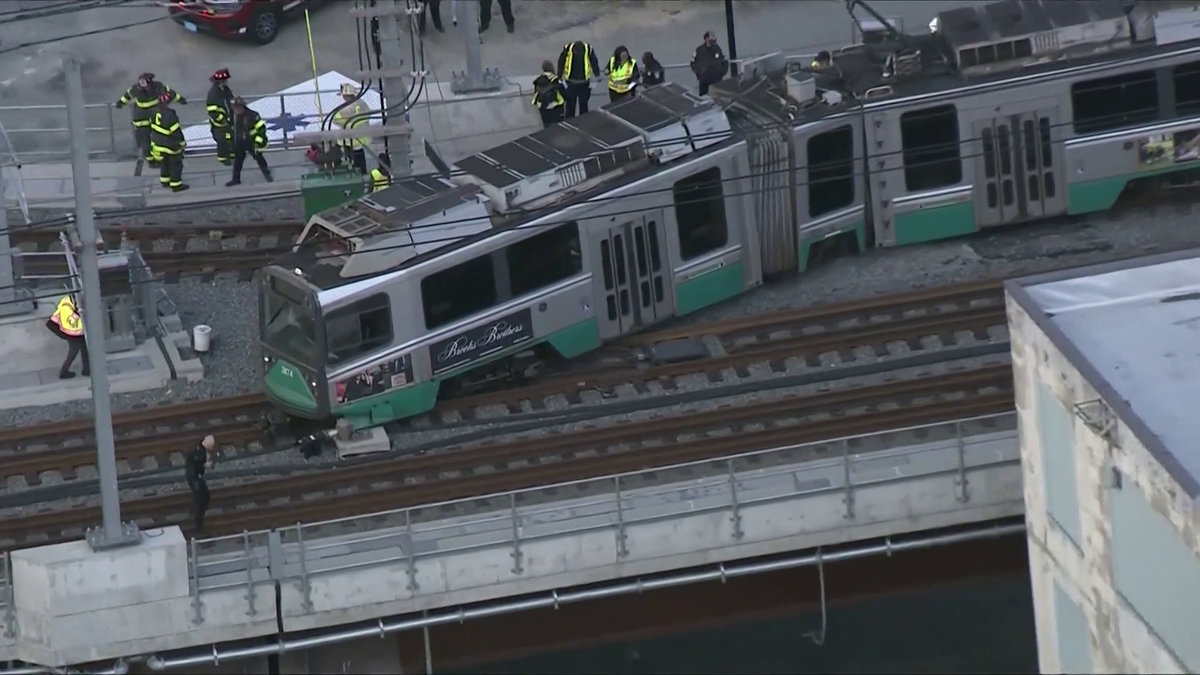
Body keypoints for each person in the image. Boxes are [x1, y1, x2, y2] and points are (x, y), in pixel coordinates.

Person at [116, 73, 185, 168]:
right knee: (144, 142)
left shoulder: (157, 86)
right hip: (141, 118)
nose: (143, 86)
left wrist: (180, 99)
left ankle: (161, 159)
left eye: (145, 84)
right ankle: (151, 161)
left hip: (155, 116)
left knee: (158, 139)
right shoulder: (135, 89)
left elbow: (170, 92)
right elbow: (127, 95)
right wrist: (121, 102)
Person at [225, 97, 273, 187]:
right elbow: (229, 131)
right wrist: (230, 144)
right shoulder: (231, 117)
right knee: (238, 161)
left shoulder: (253, 115)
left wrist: (257, 142)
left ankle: (266, 173)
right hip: (239, 142)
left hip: (251, 141)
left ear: (243, 107)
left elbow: (261, 129)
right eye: (234, 108)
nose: (236, 110)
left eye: (238, 107)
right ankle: (235, 179)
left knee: (259, 158)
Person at [149, 93, 188, 192]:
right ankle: (176, 185)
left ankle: (165, 181)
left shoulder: (153, 113)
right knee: (176, 165)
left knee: (164, 163)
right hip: (171, 145)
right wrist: (182, 143)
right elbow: (176, 132)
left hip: (158, 144)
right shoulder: (170, 115)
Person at [45, 295, 89, 380]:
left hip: (70, 331)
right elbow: (73, 324)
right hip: (71, 332)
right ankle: (63, 372)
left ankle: (86, 369)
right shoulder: (67, 308)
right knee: (74, 351)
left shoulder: (68, 300)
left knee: (84, 348)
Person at [334, 83, 370, 176]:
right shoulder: (356, 104)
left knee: (357, 155)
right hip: (350, 136)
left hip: (357, 136)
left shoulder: (358, 105)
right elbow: (336, 119)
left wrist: (348, 123)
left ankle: (360, 172)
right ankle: (356, 171)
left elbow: (363, 118)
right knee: (351, 154)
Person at [557, 40, 600, 119]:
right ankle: (570, 121)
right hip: (571, 82)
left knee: (583, 104)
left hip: (584, 82)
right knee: (570, 105)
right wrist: (559, 76)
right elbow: (561, 62)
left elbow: (594, 61)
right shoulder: (568, 48)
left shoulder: (588, 49)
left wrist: (597, 74)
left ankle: (583, 120)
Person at [205, 68, 235, 166]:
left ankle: (232, 154)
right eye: (225, 80)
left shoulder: (224, 89)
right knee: (222, 140)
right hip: (219, 123)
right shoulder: (213, 93)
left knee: (230, 137)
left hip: (228, 119)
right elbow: (212, 111)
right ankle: (223, 158)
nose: (226, 82)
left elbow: (230, 99)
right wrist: (222, 120)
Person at [185, 435, 214, 534]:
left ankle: (196, 516)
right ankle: (198, 524)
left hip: (195, 478)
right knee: (201, 500)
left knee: (203, 497)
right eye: (211, 446)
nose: (212, 448)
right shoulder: (200, 453)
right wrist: (205, 465)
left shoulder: (198, 450)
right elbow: (196, 465)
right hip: (196, 479)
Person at [690, 31, 730, 96]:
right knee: (704, 98)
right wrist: (699, 73)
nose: (714, 39)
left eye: (714, 37)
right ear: (706, 38)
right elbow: (693, 63)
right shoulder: (699, 50)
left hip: (716, 81)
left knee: (717, 98)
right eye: (712, 37)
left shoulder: (717, 49)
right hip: (704, 81)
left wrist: (722, 72)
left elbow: (723, 61)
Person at [532, 61, 566, 128]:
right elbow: (563, 91)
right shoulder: (555, 79)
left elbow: (536, 92)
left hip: (542, 107)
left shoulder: (538, 79)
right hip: (555, 107)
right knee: (558, 127)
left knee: (547, 126)